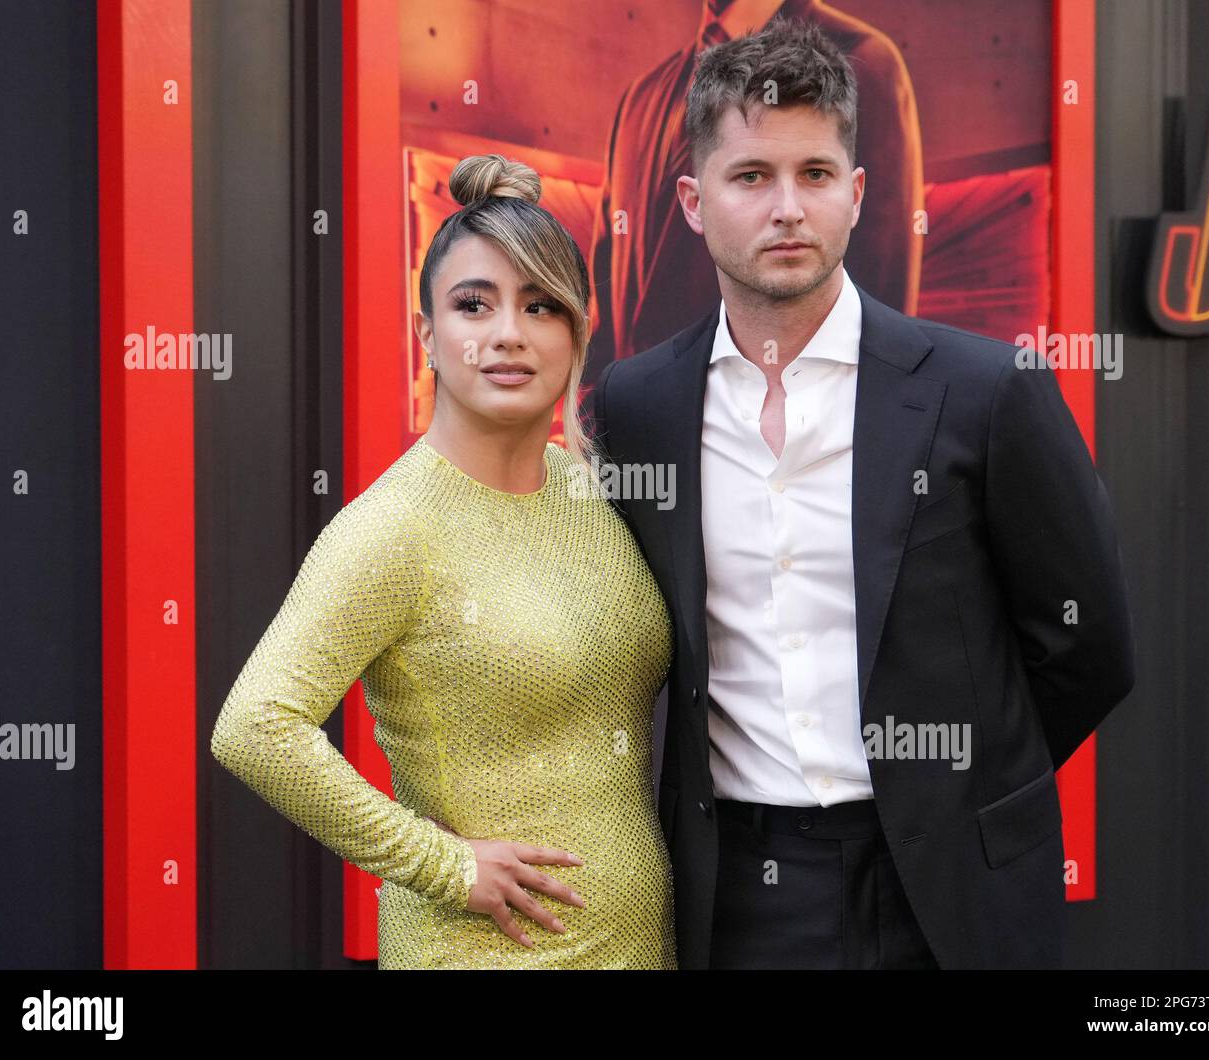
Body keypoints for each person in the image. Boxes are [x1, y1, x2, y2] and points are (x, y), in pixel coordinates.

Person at [587, 17, 1136, 969]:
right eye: (751, 176)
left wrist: (963, 785)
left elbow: (1089, 646)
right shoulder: (639, 409)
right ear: (691, 200)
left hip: (953, 889)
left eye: (815, 175)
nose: (786, 208)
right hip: (739, 895)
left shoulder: (985, 390)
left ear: (858, 195)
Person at [211, 154, 677, 969]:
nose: (508, 333)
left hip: (639, 948)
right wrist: (445, 865)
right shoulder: (394, 527)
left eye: (540, 306)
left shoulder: (588, 488)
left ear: (580, 328)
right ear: (427, 332)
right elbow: (254, 727)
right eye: (473, 305)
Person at [584, 0, 923, 388]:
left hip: (794, 425)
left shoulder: (864, 60)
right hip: (637, 428)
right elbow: (607, 300)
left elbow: (884, 296)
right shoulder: (639, 101)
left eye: (813, 174)